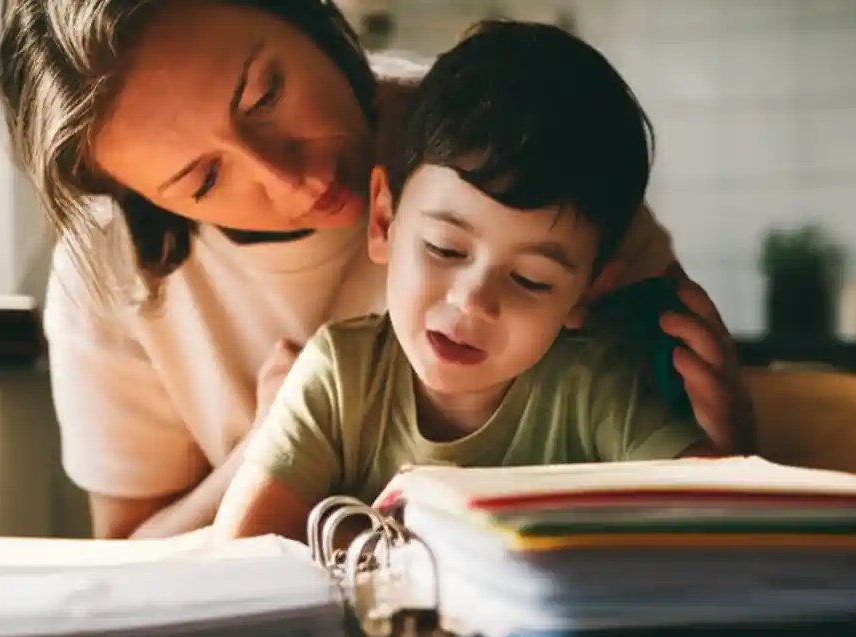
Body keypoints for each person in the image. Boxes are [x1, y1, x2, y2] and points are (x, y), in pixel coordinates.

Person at [0, 0, 752, 540]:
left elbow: (692, 478)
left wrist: (732, 438)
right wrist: (270, 443)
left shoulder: (512, 138)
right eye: (202, 181)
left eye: (265, 94)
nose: (288, 178)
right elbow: (133, 557)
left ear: (304, 15)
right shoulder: (110, 270)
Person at [212, 21, 713, 541]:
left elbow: (722, 522)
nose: (473, 301)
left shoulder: (595, 388)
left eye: (531, 279)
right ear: (385, 222)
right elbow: (241, 552)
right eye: (445, 248)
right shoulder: (340, 378)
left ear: (583, 293)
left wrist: (732, 448)